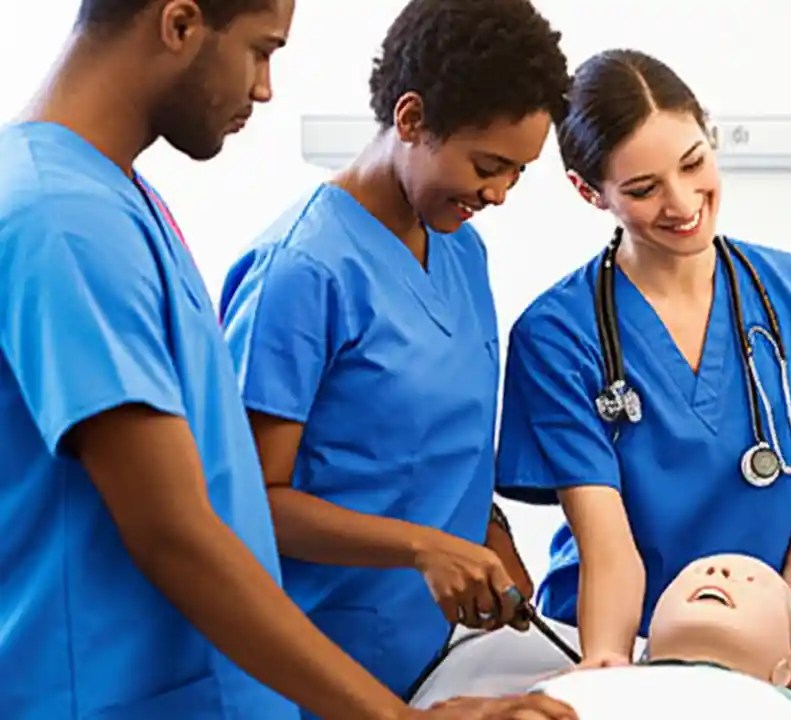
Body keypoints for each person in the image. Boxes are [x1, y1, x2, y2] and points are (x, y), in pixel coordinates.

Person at [0, 2, 575, 719]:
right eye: (260, 49)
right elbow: (176, 528)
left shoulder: (118, 203)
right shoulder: (64, 220)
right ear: (179, 24)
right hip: (108, 691)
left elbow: (217, 481)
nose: (267, 87)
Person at [218, 0, 571, 706]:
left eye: (518, 174)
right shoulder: (303, 270)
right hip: (317, 663)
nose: (498, 193)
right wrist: (422, 546)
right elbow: (251, 502)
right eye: (487, 164)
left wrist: (487, 532)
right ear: (410, 120)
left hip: (429, 654)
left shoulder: (461, 249)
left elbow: (441, 444)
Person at [494, 49, 791, 689]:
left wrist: (779, 634)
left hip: (754, 645)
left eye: (694, 162)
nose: (682, 202)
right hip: (613, 634)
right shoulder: (559, 334)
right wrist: (610, 680)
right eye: (643, 190)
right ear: (590, 192)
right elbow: (607, 545)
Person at [530, 554, 791, 720]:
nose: (718, 573)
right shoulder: (584, 685)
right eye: (688, 577)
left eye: (751, 580)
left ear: (787, 670)